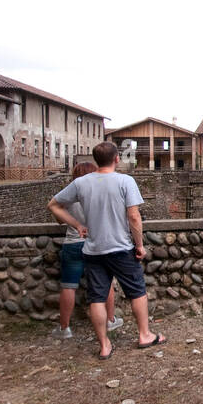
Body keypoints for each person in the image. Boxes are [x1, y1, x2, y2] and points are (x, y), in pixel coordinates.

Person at [48, 142, 166, 359]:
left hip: (93, 250)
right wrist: (139, 244)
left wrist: (76, 225)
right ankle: (144, 334)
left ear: (95, 160)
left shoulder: (81, 183)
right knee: (137, 291)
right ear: (116, 159)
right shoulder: (125, 181)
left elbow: (53, 205)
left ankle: (104, 345)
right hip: (120, 247)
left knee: (97, 297)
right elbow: (133, 216)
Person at [51, 161, 123, 340]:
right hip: (97, 243)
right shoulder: (99, 192)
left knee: (68, 285)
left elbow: (60, 219)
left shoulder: (70, 194)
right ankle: (110, 320)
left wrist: (74, 222)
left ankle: (64, 328)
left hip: (73, 242)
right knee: (105, 283)